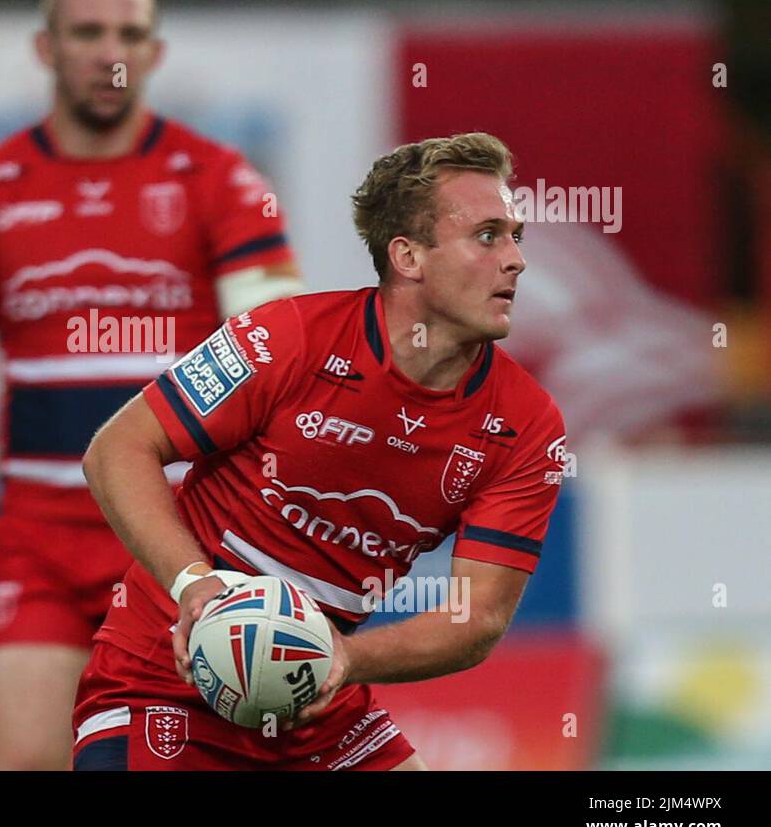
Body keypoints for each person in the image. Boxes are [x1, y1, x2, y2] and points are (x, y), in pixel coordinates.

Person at [73, 132, 568, 770]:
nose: (516, 260)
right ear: (409, 257)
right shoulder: (286, 338)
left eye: (516, 237)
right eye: (488, 235)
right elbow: (117, 449)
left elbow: (476, 620)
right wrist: (194, 584)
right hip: (166, 683)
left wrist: (344, 659)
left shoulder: (526, 425)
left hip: (314, 697)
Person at [0, 0, 303, 769]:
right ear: (45, 48)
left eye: (130, 33)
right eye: (88, 32)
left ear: (154, 53)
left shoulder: (222, 182)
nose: (111, 54)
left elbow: (278, 368)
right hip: (34, 543)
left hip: (172, 539)